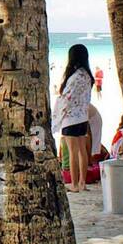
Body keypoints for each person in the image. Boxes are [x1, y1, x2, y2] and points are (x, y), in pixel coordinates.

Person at [52, 44, 94, 193]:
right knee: (82, 151)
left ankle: (74, 184)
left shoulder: (75, 76)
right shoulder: (87, 76)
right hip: (83, 117)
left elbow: (66, 98)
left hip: (71, 118)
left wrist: (57, 114)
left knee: (72, 151)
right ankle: (82, 182)